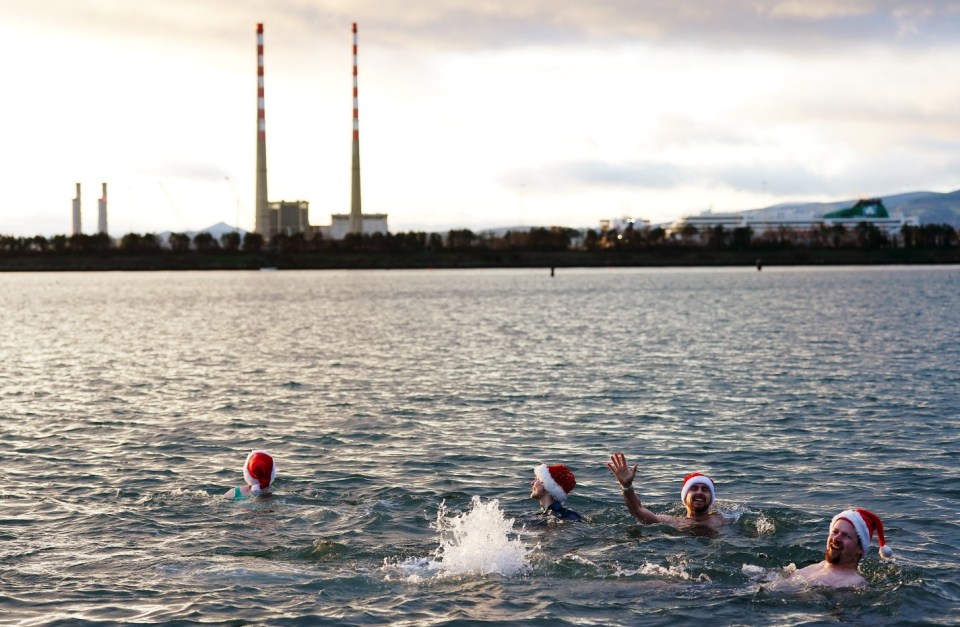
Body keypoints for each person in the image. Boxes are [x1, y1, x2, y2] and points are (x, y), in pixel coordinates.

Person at [607, 452, 725, 529]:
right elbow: (637, 511)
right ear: (684, 496)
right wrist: (627, 487)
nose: (699, 492)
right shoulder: (672, 522)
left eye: (705, 489)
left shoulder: (725, 521)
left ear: (711, 497)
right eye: (694, 488)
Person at [785, 508, 893, 588]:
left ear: (859, 549)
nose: (836, 538)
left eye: (846, 535)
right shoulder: (815, 566)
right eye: (835, 532)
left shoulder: (854, 583)